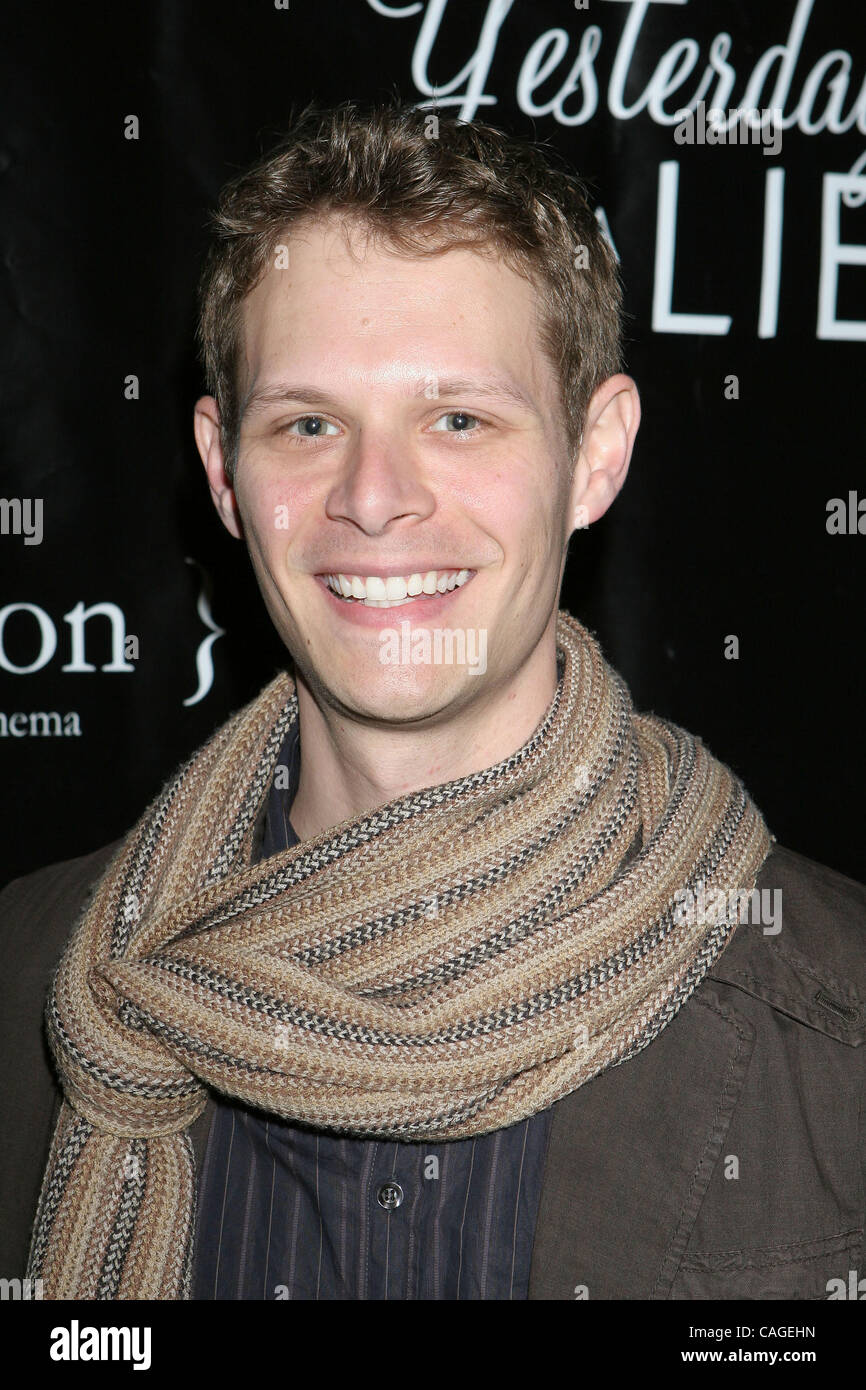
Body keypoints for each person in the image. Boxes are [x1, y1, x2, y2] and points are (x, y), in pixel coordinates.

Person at [2, 102, 863, 1302]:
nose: (371, 495)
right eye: (308, 424)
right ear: (221, 471)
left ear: (595, 453)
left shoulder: (837, 1029)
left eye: (457, 419)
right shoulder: (34, 980)